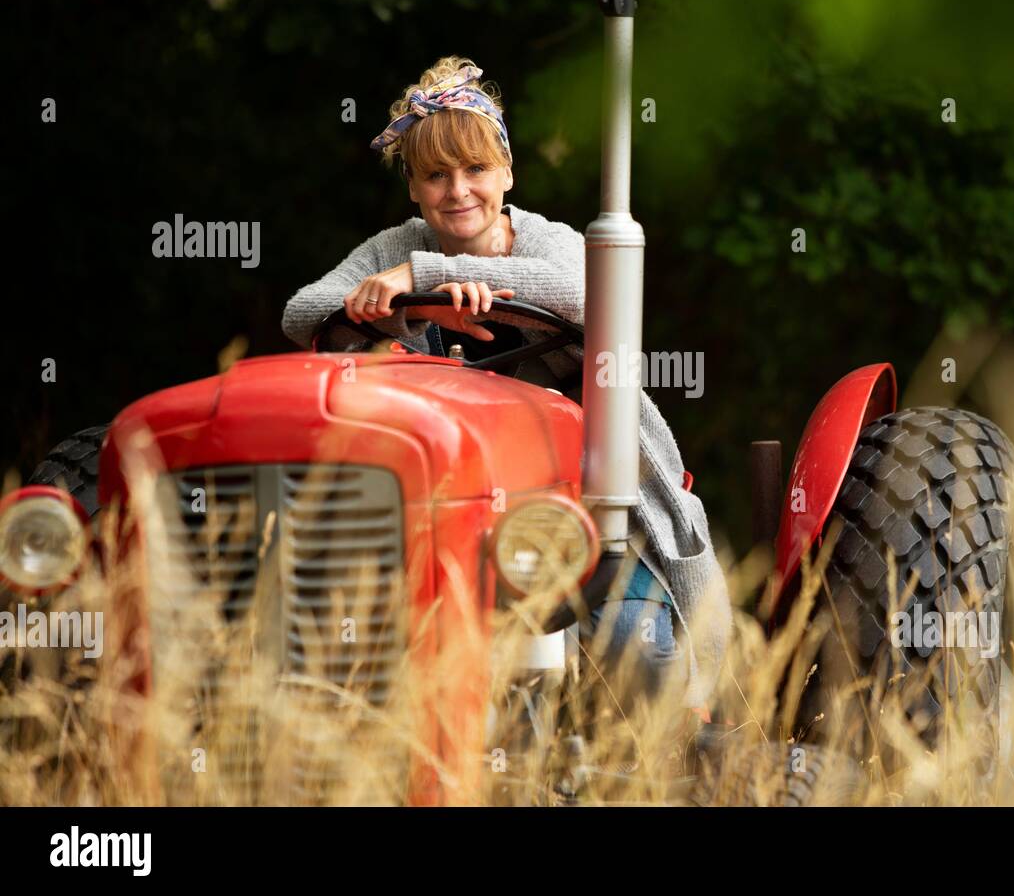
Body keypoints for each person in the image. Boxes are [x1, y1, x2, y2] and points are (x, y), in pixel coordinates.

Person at [281, 57, 731, 709]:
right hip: (441, 506)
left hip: (581, 502)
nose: (457, 190)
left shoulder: (549, 242)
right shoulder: (389, 247)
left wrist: (422, 274)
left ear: (508, 173)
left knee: (635, 651)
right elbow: (302, 313)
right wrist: (410, 306)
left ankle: (677, 728)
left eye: (476, 170)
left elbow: (590, 293)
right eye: (435, 175)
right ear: (413, 187)